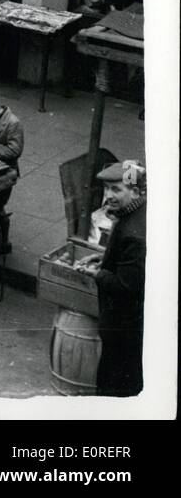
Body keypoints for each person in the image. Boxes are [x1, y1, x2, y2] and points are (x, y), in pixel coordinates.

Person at [92, 161, 146, 397]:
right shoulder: (136, 211)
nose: (108, 196)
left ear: (135, 191)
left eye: (116, 190)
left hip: (123, 325)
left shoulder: (133, 233)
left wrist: (99, 273)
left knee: (114, 383)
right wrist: (103, 258)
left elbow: (126, 285)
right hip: (129, 326)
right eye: (106, 189)